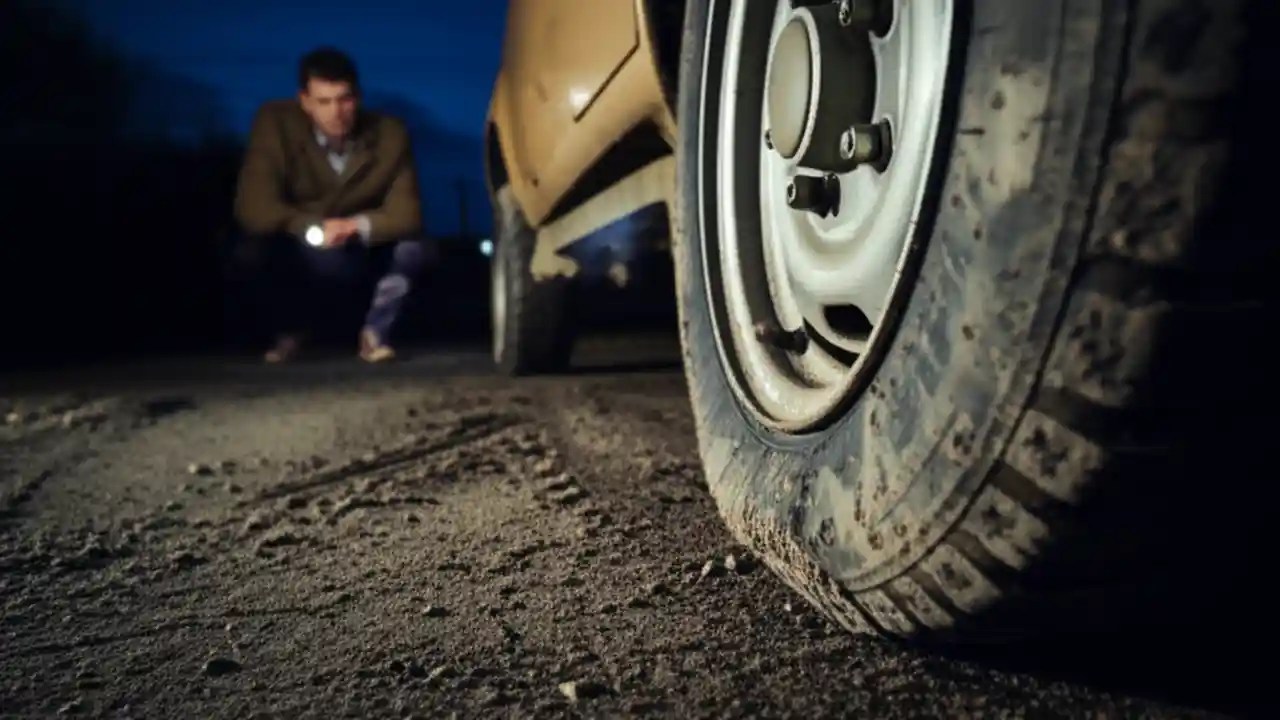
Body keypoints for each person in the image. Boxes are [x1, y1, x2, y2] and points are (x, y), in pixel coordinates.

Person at [233, 46, 427, 363]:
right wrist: (313, 227)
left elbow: (409, 212)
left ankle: (374, 334)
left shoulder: (390, 133)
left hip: (362, 247)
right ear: (305, 101)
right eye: (324, 101)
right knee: (251, 248)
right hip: (302, 243)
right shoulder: (275, 124)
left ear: (358, 98)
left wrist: (354, 226)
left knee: (414, 248)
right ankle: (289, 330)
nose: (336, 112)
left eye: (345, 99)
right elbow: (253, 205)